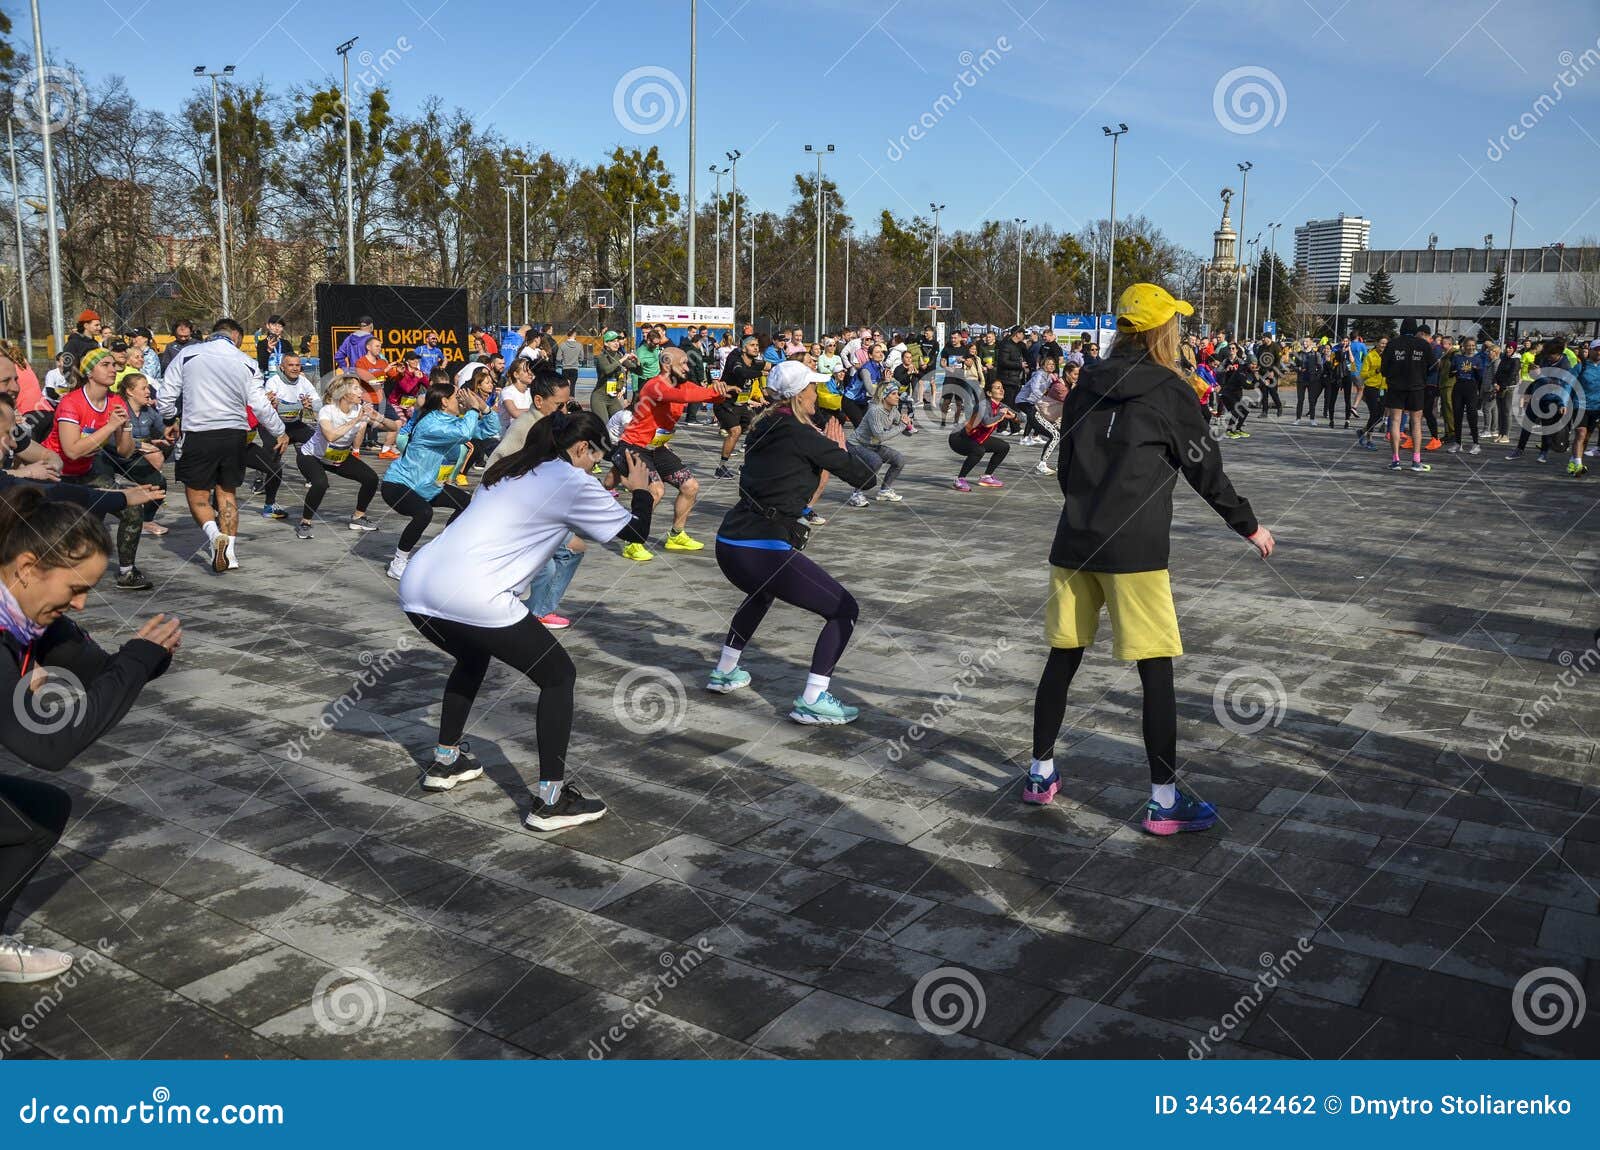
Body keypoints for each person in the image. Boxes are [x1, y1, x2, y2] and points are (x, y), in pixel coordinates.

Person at [1027, 283, 1274, 834]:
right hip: (1134, 549)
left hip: (1074, 540)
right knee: (1155, 671)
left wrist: (1087, 503)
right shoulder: (1171, 390)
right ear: (1164, 330)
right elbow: (1204, 468)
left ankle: (1040, 772)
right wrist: (1248, 525)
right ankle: (1163, 800)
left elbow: (1065, 463)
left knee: (1062, 657)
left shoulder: (1085, 380)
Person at [399, 411, 655, 829]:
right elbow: (637, 533)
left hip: (417, 587)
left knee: (471, 658)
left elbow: (558, 511)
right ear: (579, 449)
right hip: (476, 596)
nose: (596, 466)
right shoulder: (570, 481)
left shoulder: (509, 469)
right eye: (595, 457)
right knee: (558, 677)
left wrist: (608, 487)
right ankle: (550, 801)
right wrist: (641, 491)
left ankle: (447, 761)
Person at [0, 487, 180, 982]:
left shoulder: (30, 617)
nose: (80, 604)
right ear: (28, 568)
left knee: (42, 811)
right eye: (74, 589)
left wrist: (145, 657)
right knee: (31, 818)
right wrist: (135, 664)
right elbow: (48, 746)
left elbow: (104, 672)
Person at [707, 360, 876, 725]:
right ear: (800, 396)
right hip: (762, 550)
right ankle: (813, 699)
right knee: (844, 610)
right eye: (814, 389)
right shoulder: (805, 436)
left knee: (761, 594)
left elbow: (782, 480)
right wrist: (839, 449)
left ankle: (724, 670)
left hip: (728, 541)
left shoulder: (762, 426)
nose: (818, 394)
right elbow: (866, 479)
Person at [158, 318, 288, 572]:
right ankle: (230, 553)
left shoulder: (188, 353)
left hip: (199, 431)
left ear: (213, 333)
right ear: (236, 336)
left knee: (197, 494)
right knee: (227, 494)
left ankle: (213, 535)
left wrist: (169, 418)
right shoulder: (247, 362)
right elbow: (261, 405)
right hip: (235, 434)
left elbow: (166, 392)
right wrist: (280, 431)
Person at [40, 349, 152, 591]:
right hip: (54, 474)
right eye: (105, 364)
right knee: (66, 530)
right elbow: (71, 451)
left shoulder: (116, 401)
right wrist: (110, 425)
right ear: (90, 372)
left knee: (132, 506)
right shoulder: (72, 402)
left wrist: (126, 428)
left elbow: (124, 451)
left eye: (114, 364)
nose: (113, 369)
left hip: (87, 473)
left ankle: (127, 572)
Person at [614, 345, 729, 556]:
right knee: (656, 491)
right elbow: (682, 397)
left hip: (657, 448)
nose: (688, 367)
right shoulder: (655, 386)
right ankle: (633, 541)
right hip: (634, 448)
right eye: (683, 362)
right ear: (666, 364)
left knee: (690, 486)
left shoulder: (682, 385)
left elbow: (706, 396)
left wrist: (721, 391)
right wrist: (712, 391)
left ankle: (676, 535)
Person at [381, 380, 498, 580]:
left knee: (466, 503)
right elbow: (465, 432)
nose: (460, 400)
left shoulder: (452, 421)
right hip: (398, 484)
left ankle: (443, 551)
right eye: (456, 397)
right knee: (423, 512)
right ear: (444, 402)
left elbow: (490, 430)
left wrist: (484, 408)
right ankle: (398, 562)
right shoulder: (430, 423)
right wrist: (471, 409)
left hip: (426, 486)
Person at [292, 374, 396, 540]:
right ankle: (305, 522)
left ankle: (358, 518)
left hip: (339, 457)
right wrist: (356, 420)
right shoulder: (328, 410)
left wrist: (378, 417)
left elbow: (394, 427)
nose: (361, 392)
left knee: (371, 479)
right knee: (320, 483)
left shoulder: (359, 410)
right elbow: (331, 437)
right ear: (344, 392)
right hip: (312, 456)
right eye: (356, 388)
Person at [1382, 319, 1438, 473]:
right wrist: (1422, 375)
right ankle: (1416, 460)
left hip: (1396, 388)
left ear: (1401, 328)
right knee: (1416, 422)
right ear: (1415, 330)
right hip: (1417, 388)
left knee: (1395, 421)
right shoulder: (1423, 345)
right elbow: (1435, 366)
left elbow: (1384, 369)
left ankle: (1395, 460)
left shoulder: (1392, 344)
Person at [844, 380, 907, 506]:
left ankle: (884, 490)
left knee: (899, 459)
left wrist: (908, 425)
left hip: (873, 445)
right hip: (856, 445)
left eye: (897, 394)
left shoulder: (893, 409)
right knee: (875, 461)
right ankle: (856, 494)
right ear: (885, 396)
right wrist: (902, 426)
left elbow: (902, 426)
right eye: (894, 394)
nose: (897, 396)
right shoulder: (875, 410)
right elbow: (880, 436)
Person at [948, 377, 1014, 490]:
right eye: (997, 388)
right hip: (959, 438)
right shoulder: (983, 405)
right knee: (979, 450)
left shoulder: (1001, 406)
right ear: (989, 392)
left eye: (1002, 388)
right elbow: (987, 423)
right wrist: (1001, 416)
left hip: (977, 438)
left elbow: (1021, 417)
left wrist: (1014, 416)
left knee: (1004, 447)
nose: (1001, 390)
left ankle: (987, 477)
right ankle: (960, 479)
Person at [714, 335, 765, 479]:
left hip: (741, 403)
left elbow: (770, 365)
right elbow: (742, 373)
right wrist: (762, 373)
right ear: (743, 348)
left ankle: (747, 464)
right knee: (735, 431)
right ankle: (721, 467)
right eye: (752, 345)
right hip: (725, 402)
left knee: (757, 428)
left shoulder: (755, 361)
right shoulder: (735, 359)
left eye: (757, 345)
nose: (756, 347)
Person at [1445, 335, 1486, 455]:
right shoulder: (1458, 358)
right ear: (1464, 346)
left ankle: (1476, 443)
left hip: (1471, 387)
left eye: (1473, 345)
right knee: (1457, 415)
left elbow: (1480, 378)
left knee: (1472, 415)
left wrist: (1476, 370)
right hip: (1458, 387)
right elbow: (1450, 374)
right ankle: (1458, 443)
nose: (1471, 348)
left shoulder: (1478, 359)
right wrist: (1454, 371)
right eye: (1469, 345)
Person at [1568, 340, 1600, 476]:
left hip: (1596, 407)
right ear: (1590, 350)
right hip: (1579, 405)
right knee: (1581, 433)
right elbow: (1568, 384)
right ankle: (1578, 465)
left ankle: (1573, 460)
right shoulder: (1581, 366)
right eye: (1597, 349)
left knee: (1586, 437)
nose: (1599, 352)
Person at [1356, 335, 1388, 449]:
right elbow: (1363, 374)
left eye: (1385, 343)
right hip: (1371, 387)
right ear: (1377, 343)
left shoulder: (1388, 356)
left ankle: (1362, 431)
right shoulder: (1370, 355)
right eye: (1382, 343)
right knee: (1374, 413)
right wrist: (1376, 371)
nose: (1383, 345)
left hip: (1383, 388)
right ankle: (1370, 439)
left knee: (1380, 416)